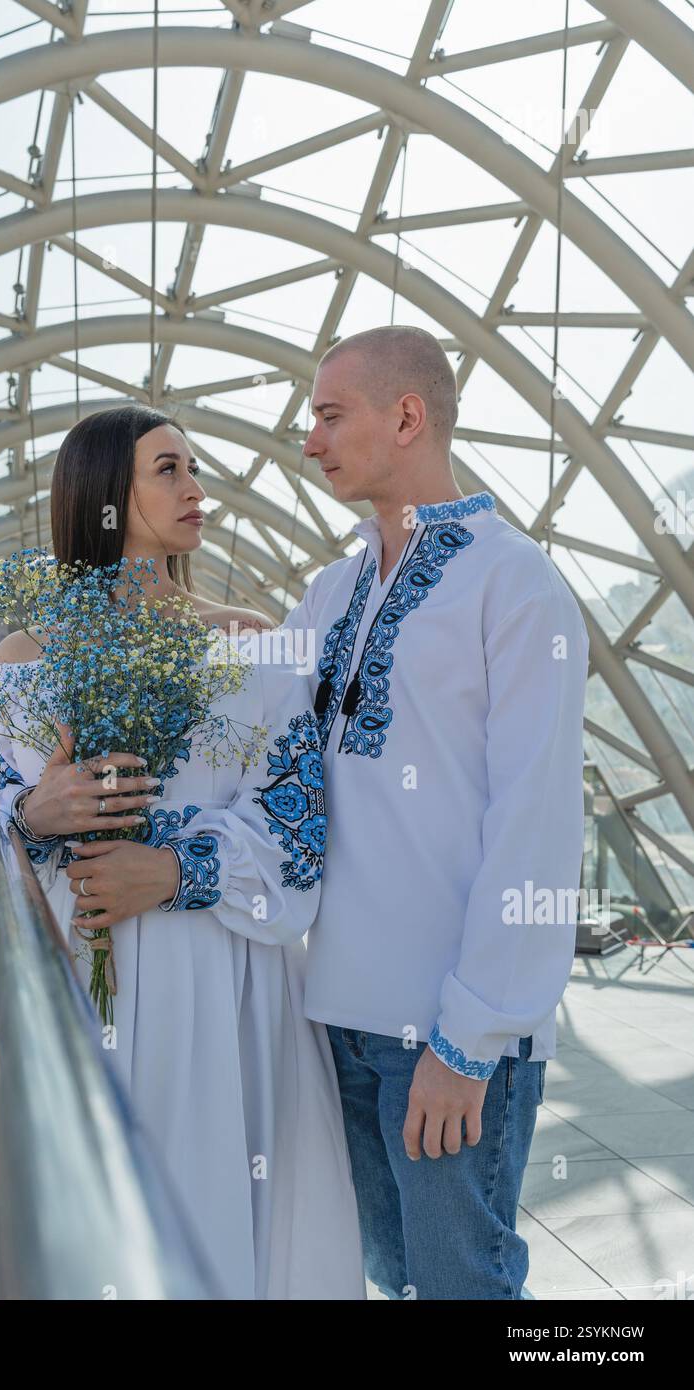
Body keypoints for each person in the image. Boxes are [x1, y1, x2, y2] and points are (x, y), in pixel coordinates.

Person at [0, 405, 365, 1301]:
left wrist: (178, 871)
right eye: (169, 471)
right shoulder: (26, 658)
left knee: (222, 1215)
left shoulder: (254, 642)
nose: (196, 490)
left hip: (223, 981)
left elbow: (299, 837)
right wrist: (38, 807)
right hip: (82, 970)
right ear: (106, 493)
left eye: (194, 469)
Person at [275, 325, 590, 1300]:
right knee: (396, 1277)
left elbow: (533, 824)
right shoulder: (329, 593)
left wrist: (472, 1039)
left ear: (405, 415)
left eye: (330, 415)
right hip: (338, 1023)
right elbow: (234, 738)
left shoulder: (514, 586)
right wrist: (24, 758)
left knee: (464, 1285)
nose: (310, 439)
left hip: (445, 1035)